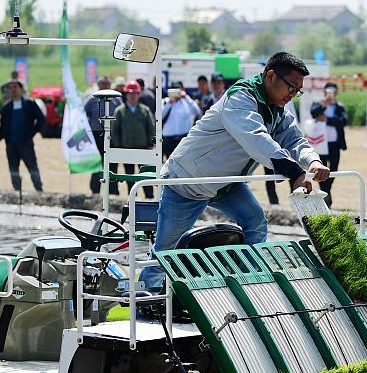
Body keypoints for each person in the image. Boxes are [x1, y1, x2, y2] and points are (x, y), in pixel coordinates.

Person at [139, 51, 328, 292]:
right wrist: (295, 172)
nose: (292, 96)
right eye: (291, 88)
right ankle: (143, 300)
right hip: (188, 181)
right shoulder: (240, 99)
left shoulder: (276, 109)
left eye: (297, 92)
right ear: (271, 76)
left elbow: (294, 138)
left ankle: (246, 284)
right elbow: (257, 140)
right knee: (165, 251)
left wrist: (312, 162)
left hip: (226, 183)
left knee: (255, 222)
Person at [0, 80, 45, 191]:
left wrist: (32, 133)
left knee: (32, 167)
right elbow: (3, 126)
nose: (13, 89)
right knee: (13, 169)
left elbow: (41, 119)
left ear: (21, 89)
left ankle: (39, 190)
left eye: (15, 87)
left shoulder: (29, 104)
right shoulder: (6, 107)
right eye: (10, 87)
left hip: (25, 143)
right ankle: (17, 191)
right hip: (11, 144)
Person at [113, 81, 158, 198]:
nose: (132, 96)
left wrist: (151, 143)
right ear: (126, 95)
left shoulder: (145, 110)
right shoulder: (120, 111)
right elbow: (115, 130)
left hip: (143, 147)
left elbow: (151, 128)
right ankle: (132, 198)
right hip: (126, 148)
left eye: (135, 93)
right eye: (130, 93)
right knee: (129, 175)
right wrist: (119, 146)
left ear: (139, 94)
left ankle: (149, 197)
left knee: (145, 175)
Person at [309, 82, 349, 204]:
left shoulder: (339, 107)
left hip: (334, 143)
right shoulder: (318, 104)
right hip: (321, 143)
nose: (330, 94)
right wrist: (324, 104)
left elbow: (343, 121)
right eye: (328, 91)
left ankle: (326, 191)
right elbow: (313, 113)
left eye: (333, 92)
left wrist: (328, 120)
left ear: (337, 93)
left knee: (334, 169)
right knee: (321, 169)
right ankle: (326, 196)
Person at [86, 76, 121, 196]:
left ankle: (113, 191)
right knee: (96, 163)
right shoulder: (92, 100)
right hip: (96, 134)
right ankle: (95, 190)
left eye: (107, 84)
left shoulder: (116, 99)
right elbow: (85, 113)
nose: (105, 86)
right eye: (103, 84)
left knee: (112, 164)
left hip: (112, 135)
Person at [160, 82, 202, 161]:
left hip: (183, 138)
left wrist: (186, 97)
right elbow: (159, 116)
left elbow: (197, 111)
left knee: (183, 162)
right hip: (168, 139)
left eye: (178, 90)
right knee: (170, 162)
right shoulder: (165, 101)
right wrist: (169, 103)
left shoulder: (187, 101)